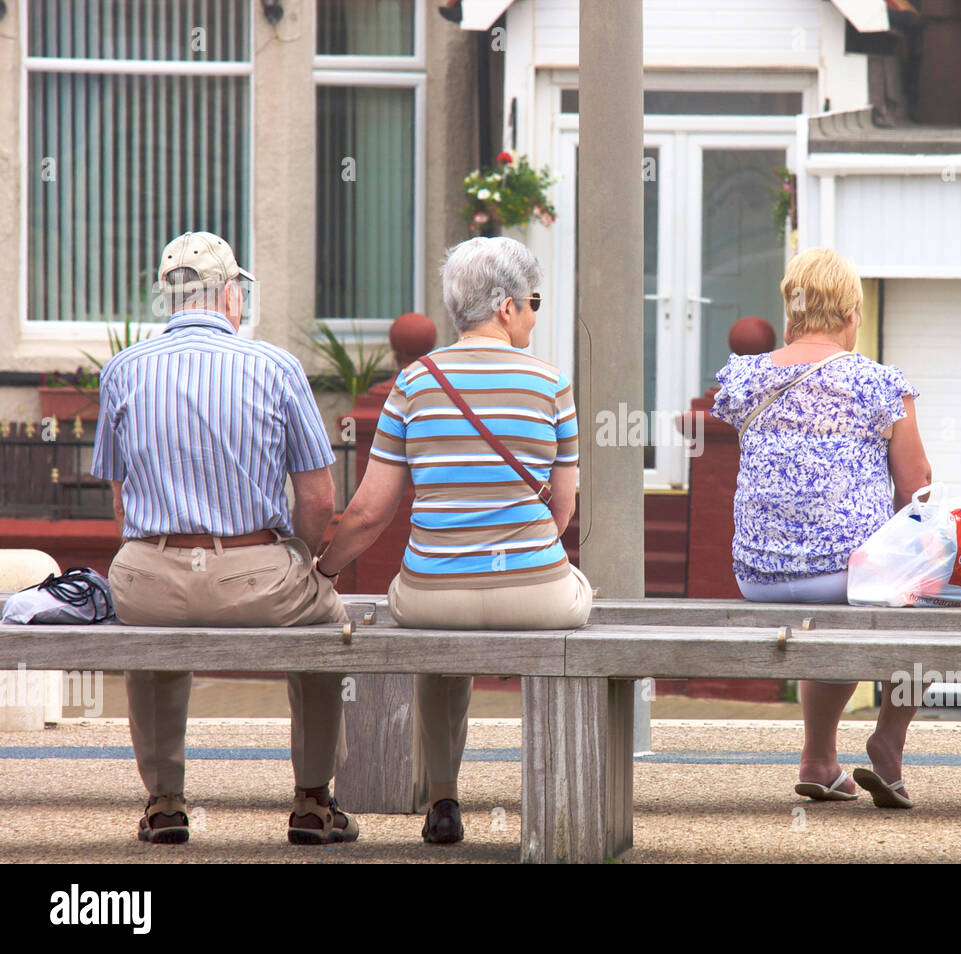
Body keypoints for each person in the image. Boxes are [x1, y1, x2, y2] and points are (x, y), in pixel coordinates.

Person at [316, 236, 591, 844]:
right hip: (537, 597)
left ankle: (443, 799)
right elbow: (564, 512)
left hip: (432, 594)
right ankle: (560, 798)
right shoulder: (553, 386)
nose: (536, 315)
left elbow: (368, 511)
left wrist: (326, 570)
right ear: (505, 307)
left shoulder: (413, 385)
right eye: (534, 301)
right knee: (575, 589)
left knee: (437, 643)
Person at [92, 231, 358, 846]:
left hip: (147, 579)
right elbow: (319, 500)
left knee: (151, 629)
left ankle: (164, 803)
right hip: (255, 577)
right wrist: (308, 563)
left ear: (168, 297)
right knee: (324, 619)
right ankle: (314, 801)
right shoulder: (276, 366)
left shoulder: (123, 369)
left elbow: (120, 499)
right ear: (232, 295)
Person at [711, 247, 932, 808]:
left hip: (757, 574)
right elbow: (916, 486)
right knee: (934, 590)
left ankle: (819, 762)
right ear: (851, 314)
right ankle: (888, 741)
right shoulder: (879, 383)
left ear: (792, 311)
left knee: (828, 615)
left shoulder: (745, 377)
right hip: (845, 575)